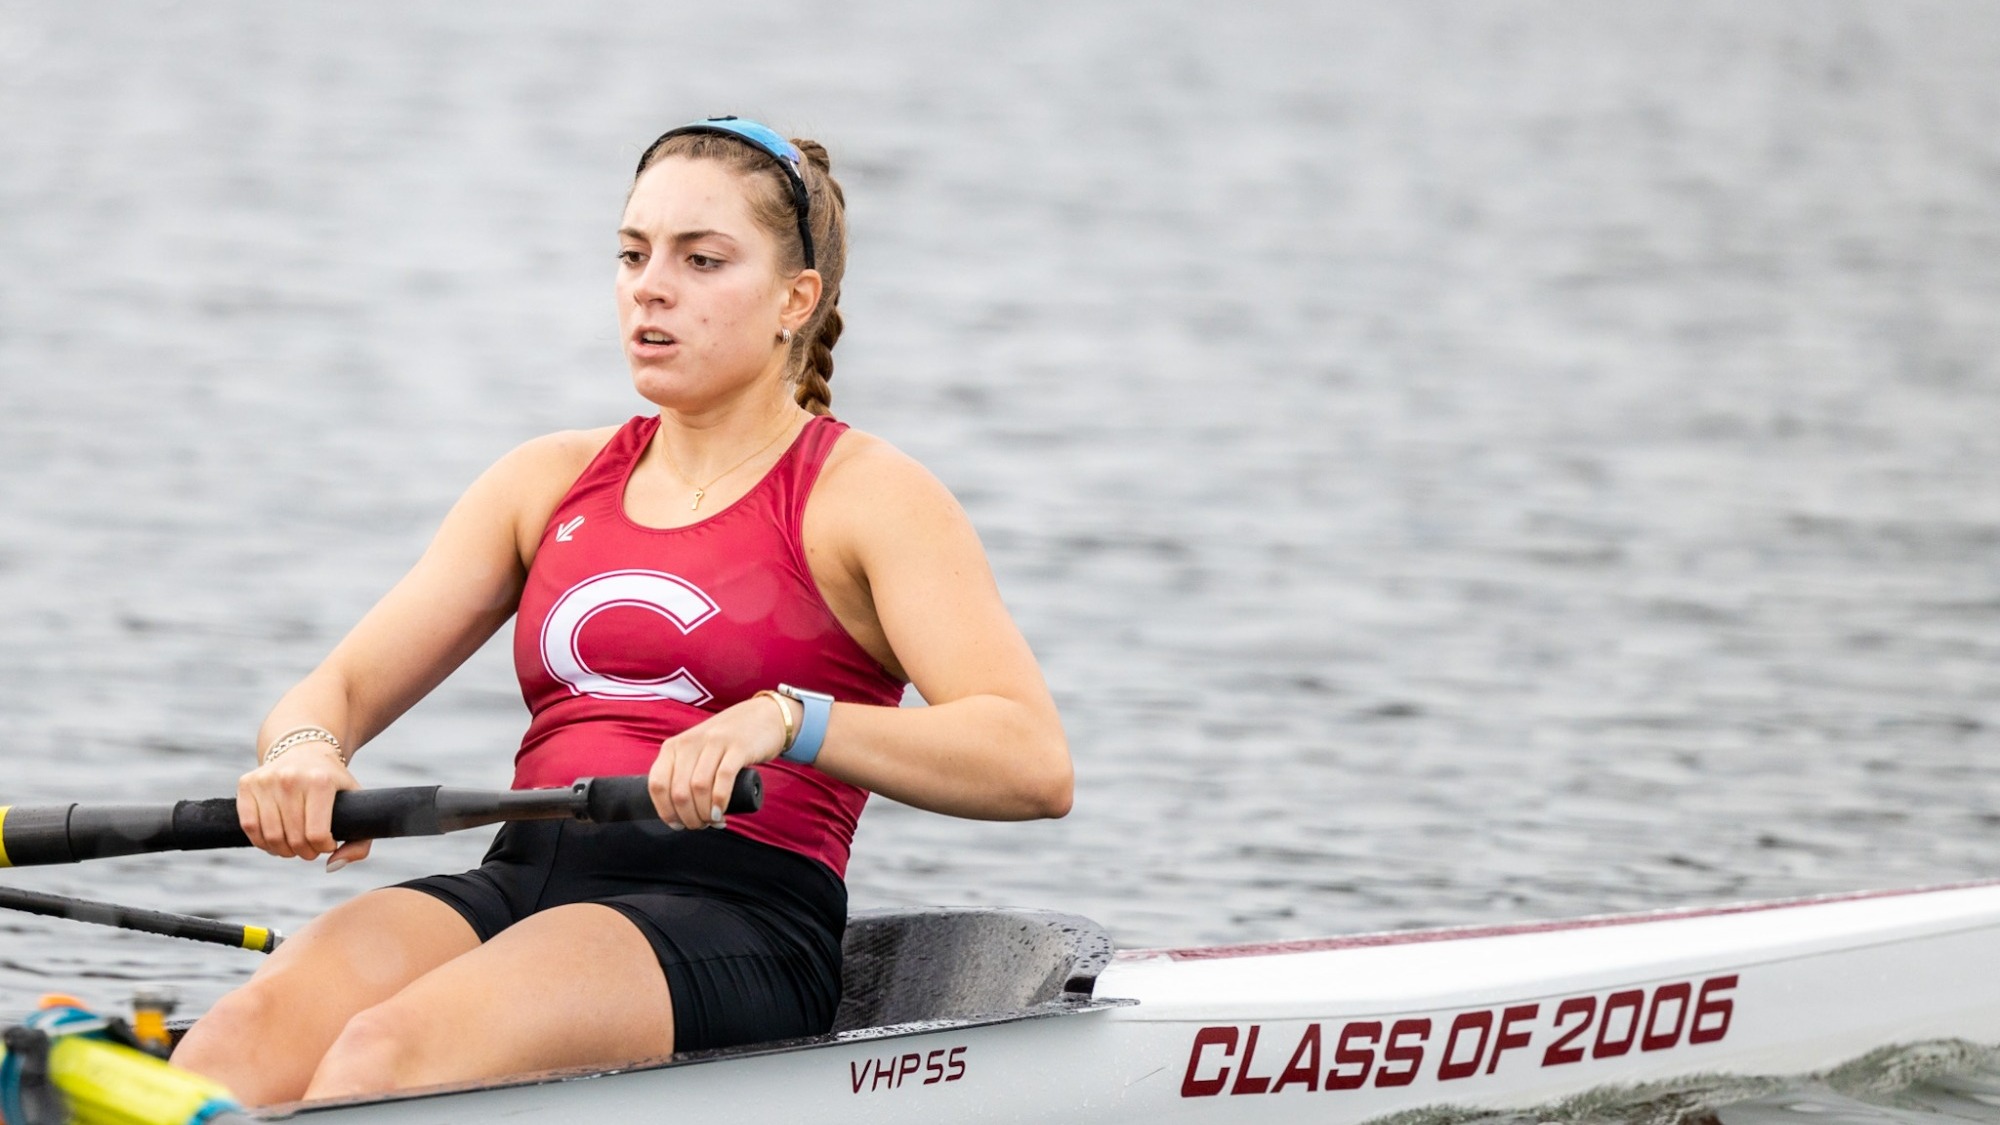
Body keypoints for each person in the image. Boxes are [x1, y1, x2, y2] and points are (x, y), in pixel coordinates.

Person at [170, 116, 1072, 1106]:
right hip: (524, 873)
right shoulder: (545, 480)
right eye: (634, 254)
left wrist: (787, 721)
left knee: (382, 1060)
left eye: (701, 260)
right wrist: (304, 752)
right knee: (229, 1051)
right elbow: (335, 688)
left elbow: (1029, 761)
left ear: (795, 299)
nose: (650, 286)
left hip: (735, 910)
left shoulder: (868, 496)